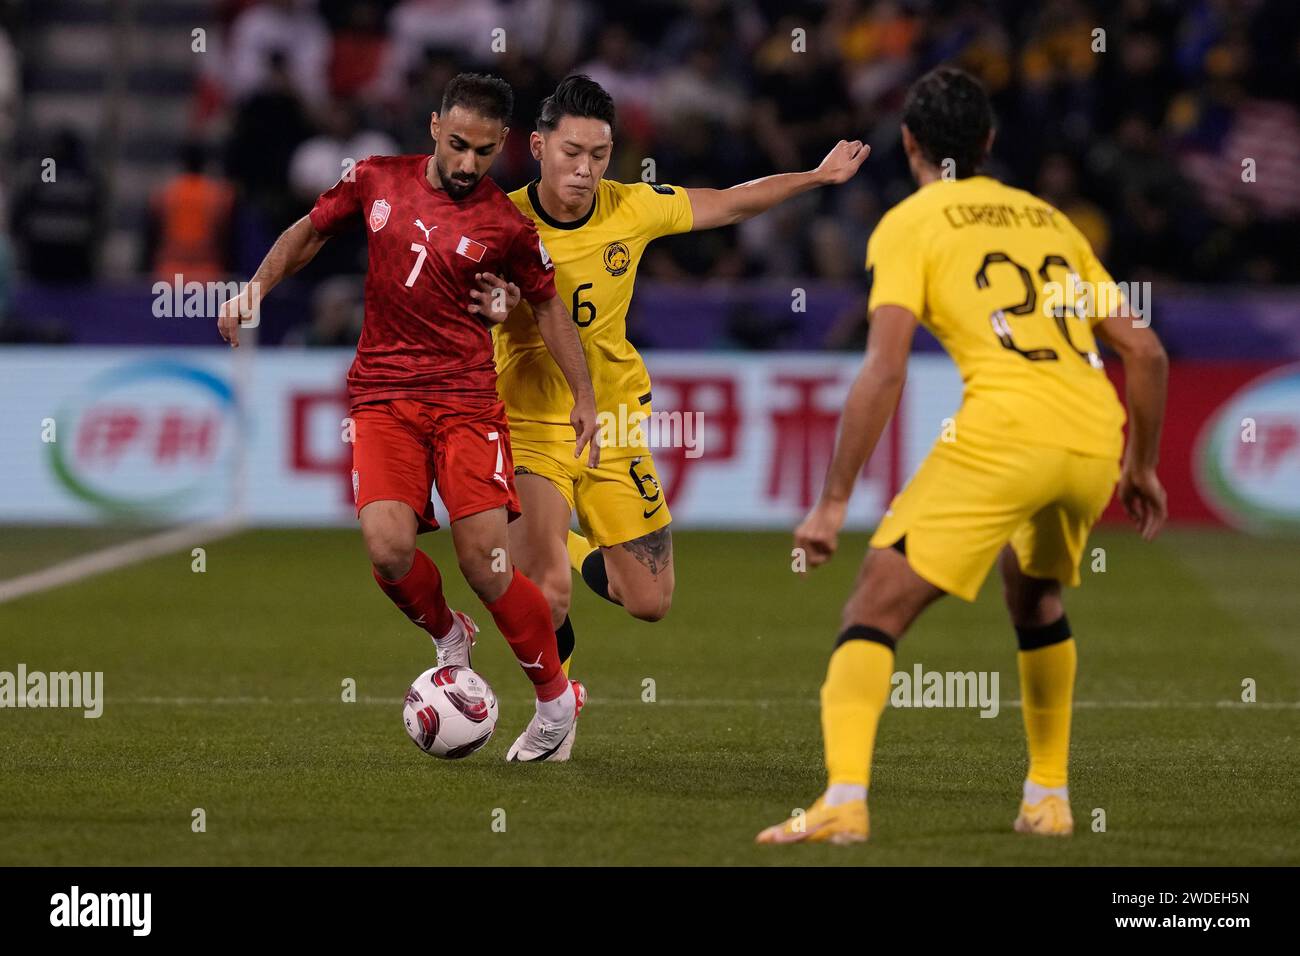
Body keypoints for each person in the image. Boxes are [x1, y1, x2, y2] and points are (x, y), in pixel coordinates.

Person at [755, 66, 1169, 844]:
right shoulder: (1049, 219)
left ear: (908, 141)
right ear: (987, 142)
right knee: (1036, 597)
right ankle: (1047, 797)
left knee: (874, 605)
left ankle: (844, 800)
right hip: (1092, 435)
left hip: (1007, 433)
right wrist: (1140, 466)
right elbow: (1143, 353)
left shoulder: (910, 223)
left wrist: (834, 501)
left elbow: (883, 368)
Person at [476, 74, 869, 761]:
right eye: (571, 153)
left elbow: (728, 203)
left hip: (618, 422)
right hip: (532, 425)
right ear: (537, 146)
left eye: (599, 155)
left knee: (650, 599)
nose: (585, 169)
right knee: (552, 592)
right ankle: (556, 707)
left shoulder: (632, 207)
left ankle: (547, 548)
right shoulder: (495, 221)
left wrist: (814, 176)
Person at [217, 73, 600, 762]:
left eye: (482, 153)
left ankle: (554, 704)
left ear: (500, 148)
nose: (466, 164)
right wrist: (257, 289)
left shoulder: (506, 226)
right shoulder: (374, 180)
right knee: (389, 550)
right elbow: (310, 233)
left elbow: (546, 306)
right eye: (457, 145)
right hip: (384, 396)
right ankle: (449, 633)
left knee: (486, 564)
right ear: (433, 127)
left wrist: (585, 397)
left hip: (466, 403)